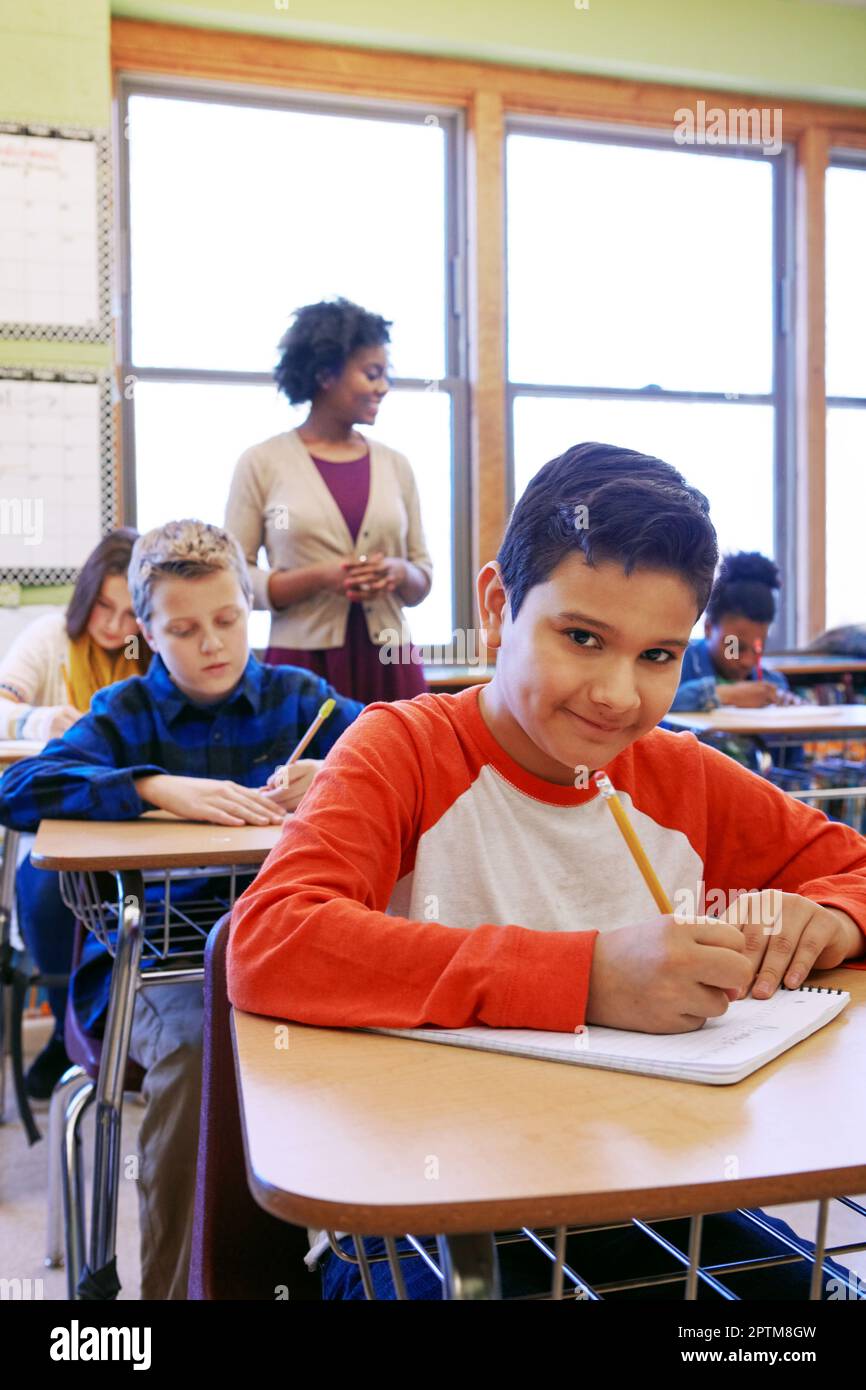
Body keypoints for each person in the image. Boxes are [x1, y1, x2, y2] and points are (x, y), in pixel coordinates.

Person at [227, 443, 866, 1301]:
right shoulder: (405, 749)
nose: (617, 694)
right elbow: (272, 940)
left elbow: (852, 870)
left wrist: (834, 915)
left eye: (659, 657)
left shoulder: (681, 774)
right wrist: (587, 977)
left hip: (654, 1186)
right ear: (497, 607)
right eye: (582, 637)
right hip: (426, 1210)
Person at [0, 520, 362, 1299]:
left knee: (379, 1042)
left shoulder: (303, 701)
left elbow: (402, 746)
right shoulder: (126, 712)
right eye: (184, 629)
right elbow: (15, 790)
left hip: (288, 943)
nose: (212, 645)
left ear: (249, 609)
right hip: (158, 964)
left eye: (228, 620)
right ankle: (182, 1293)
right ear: (145, 631)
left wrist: (330, 773)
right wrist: (149, 787)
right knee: (210, 1049)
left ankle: (340, 1275)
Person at [0, 528, 150, 1097]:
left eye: (131, 612)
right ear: (85, 594)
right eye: (104, 607)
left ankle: (117, 1030)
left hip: (132, 821)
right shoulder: (48, 639)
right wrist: (38, 721)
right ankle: (73, 1028)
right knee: (46, 889)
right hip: (60, 815)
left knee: (130, 905)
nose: (115, 626)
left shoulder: (145, 652)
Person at [225, 297, 433, 703]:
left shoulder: (397, 466)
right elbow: (235, 577)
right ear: (325, 375)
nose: (383, 387)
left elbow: (422, 573)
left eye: (385, 375)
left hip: (390, 661)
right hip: (300, 665)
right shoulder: (262, 462)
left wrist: (397, 571)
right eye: (372, 374)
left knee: (396, 762)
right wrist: (320, 577)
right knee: (306, 767)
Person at [670, 552, 795, 711]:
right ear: (708, 628)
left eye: (758, 648)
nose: (748, 662)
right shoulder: (677, 664)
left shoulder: (773, 684)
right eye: (735, 647)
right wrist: (725, 694)